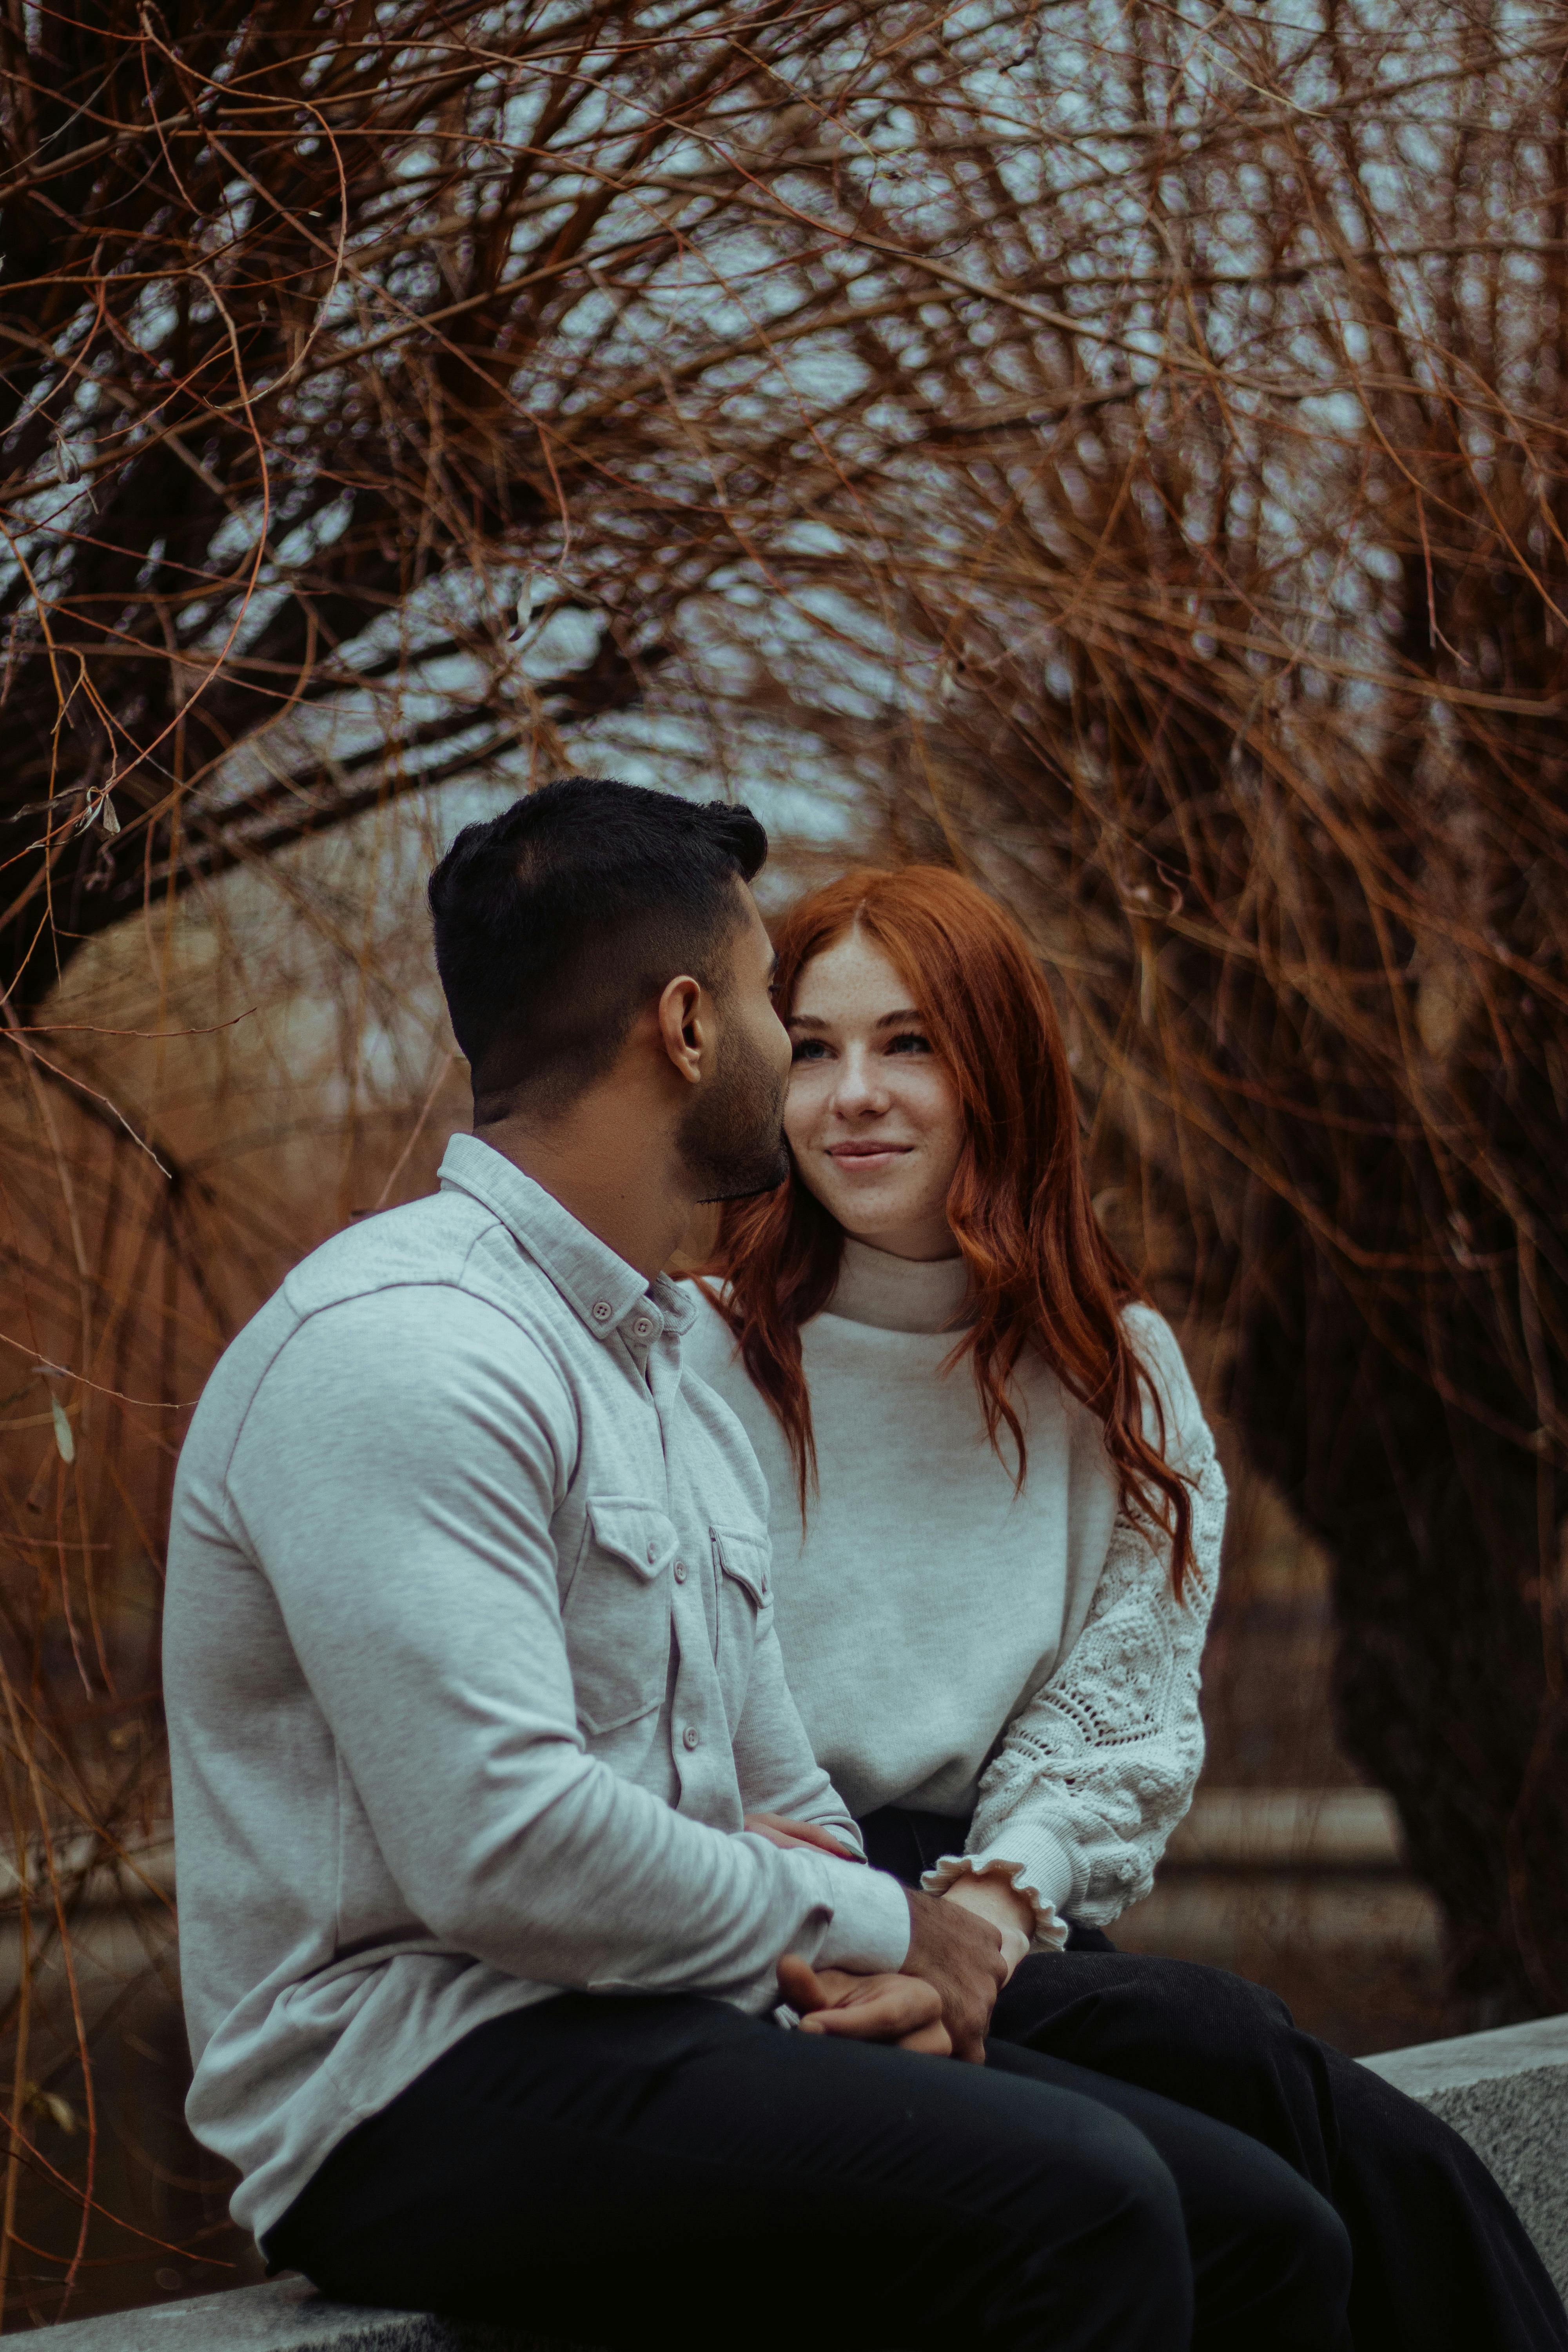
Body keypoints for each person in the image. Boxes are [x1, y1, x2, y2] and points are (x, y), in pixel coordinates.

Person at [164, 780, 1352, 2352]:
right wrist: (878, 1928)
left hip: (663, 2009)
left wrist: (897, 1962)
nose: (803, 1065)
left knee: (1263, 2227)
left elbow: (773, 1787)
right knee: (1081, 2197)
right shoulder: (404, 1351)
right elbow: (504, 1850)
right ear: (682, 1025)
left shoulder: (661, 1371)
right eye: (768, 1013)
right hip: (405, 2078)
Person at [682, 860, 1568, 2352]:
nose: (854, 1097)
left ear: (999, 1072)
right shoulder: (696, 1360)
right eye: (815, 1048)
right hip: (778, 1937)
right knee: (1247, 2086)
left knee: (1388, 2163)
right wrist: (865, 1929)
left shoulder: (1116, 1371)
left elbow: (1116, 1725)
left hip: (1003, 1910)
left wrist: (980, 1919)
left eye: (910, 1044)